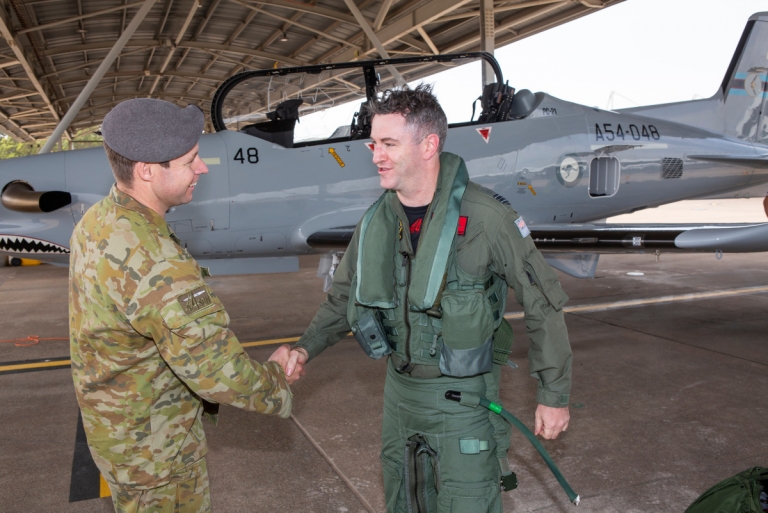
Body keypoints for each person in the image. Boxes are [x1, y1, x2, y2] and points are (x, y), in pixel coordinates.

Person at [271, 84, 573, 512]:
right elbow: (342, 299)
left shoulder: (487, 218)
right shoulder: (376, 221)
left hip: (463, 400)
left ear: (429, 145)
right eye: (374, 144)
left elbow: (543, 303)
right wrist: (305, 348)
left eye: (389, 144)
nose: (376, 155)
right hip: (400, 397)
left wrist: (553, 394)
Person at [69, 98, 294, 513]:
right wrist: (276, 380)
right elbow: (216, 372)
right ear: (147, 171)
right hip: (159, 457)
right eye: (191, 160)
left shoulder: (97, 221)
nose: (203, 168)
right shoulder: (156, 259)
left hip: (119, 435)